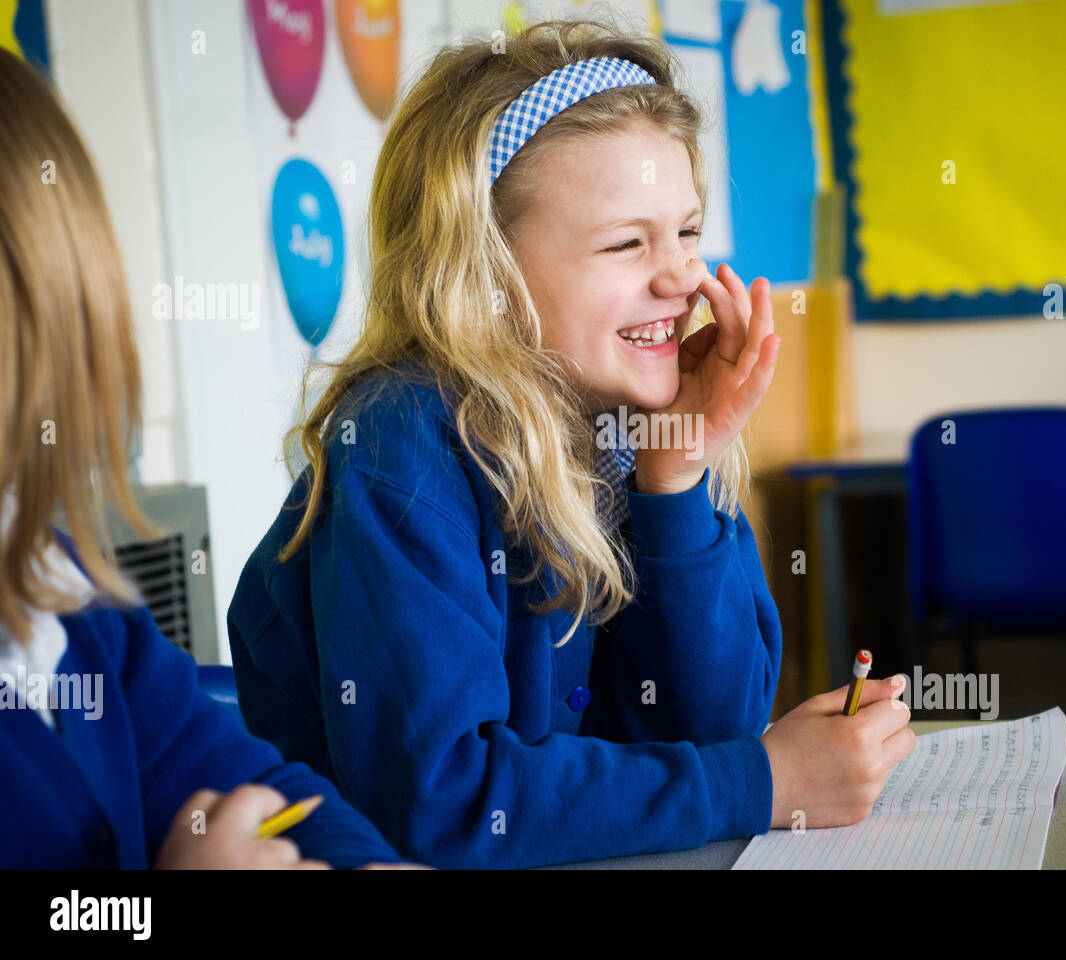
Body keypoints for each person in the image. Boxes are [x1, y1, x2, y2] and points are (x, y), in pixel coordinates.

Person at [228, 18, 915, 869]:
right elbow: (443, 802)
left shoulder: (623, 427)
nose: (682, 279)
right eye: (628, 243)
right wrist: (761, 782)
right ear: (484, 272)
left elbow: (707, 733)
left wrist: (675, 478)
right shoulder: (401, 444)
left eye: (689, 232)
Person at [0, 46, 414, 870]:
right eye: (625, 244)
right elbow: (454, 789)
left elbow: (264, 788)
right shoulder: (400, 457)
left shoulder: (71, 605)